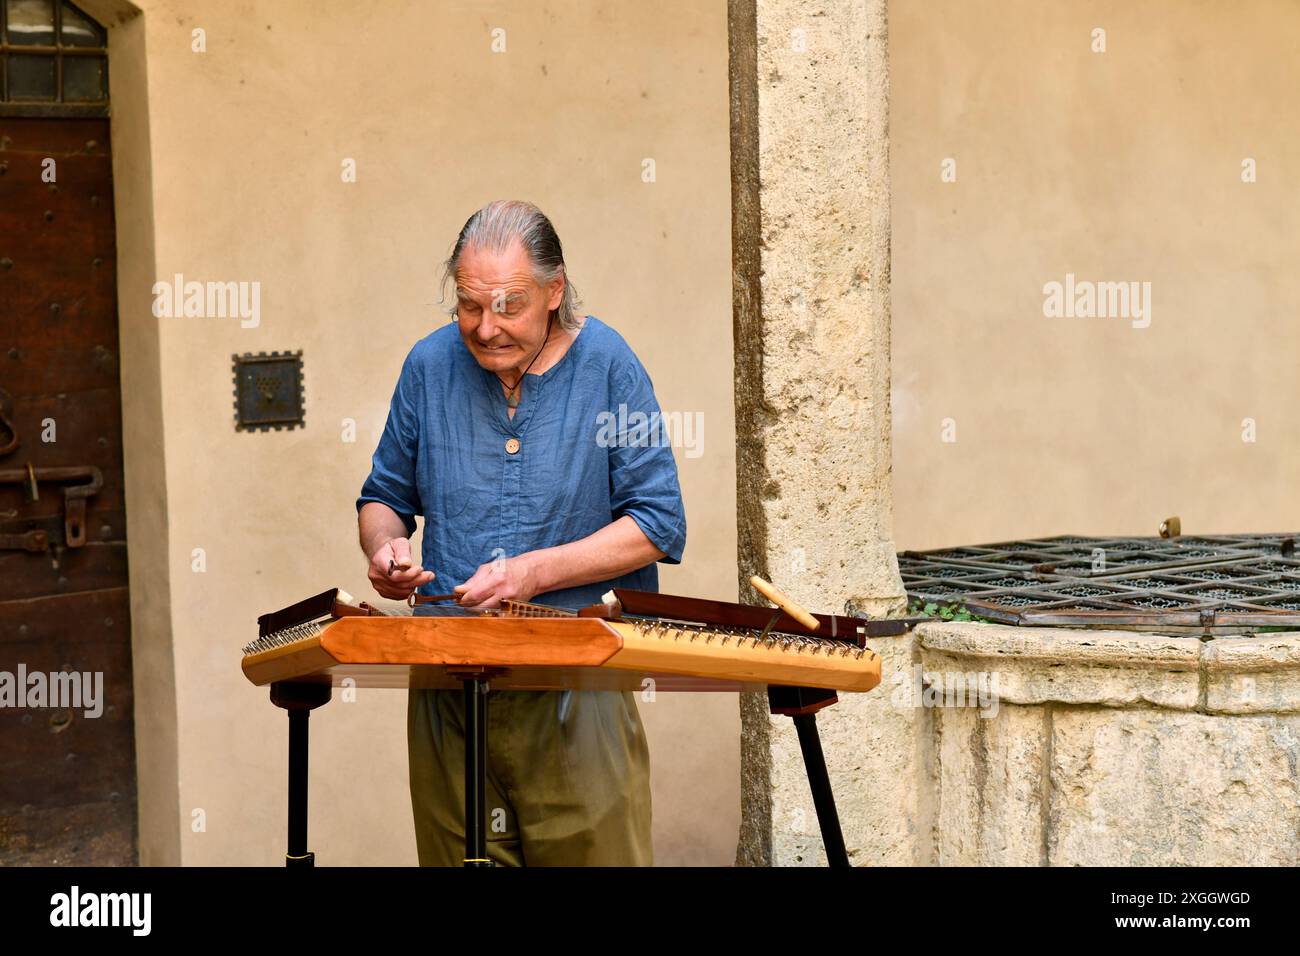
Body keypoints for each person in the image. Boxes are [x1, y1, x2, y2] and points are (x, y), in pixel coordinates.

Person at [356, 199, 686, 866]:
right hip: (450, 681)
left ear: (553, 290)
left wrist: (531, 573)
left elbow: (657, 523)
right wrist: (385, 547)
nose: (485, 328)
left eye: (507, 306)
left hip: (578, 686)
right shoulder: (428, 366)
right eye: (470, 306)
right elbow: (383, 497)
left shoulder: (608, 365)